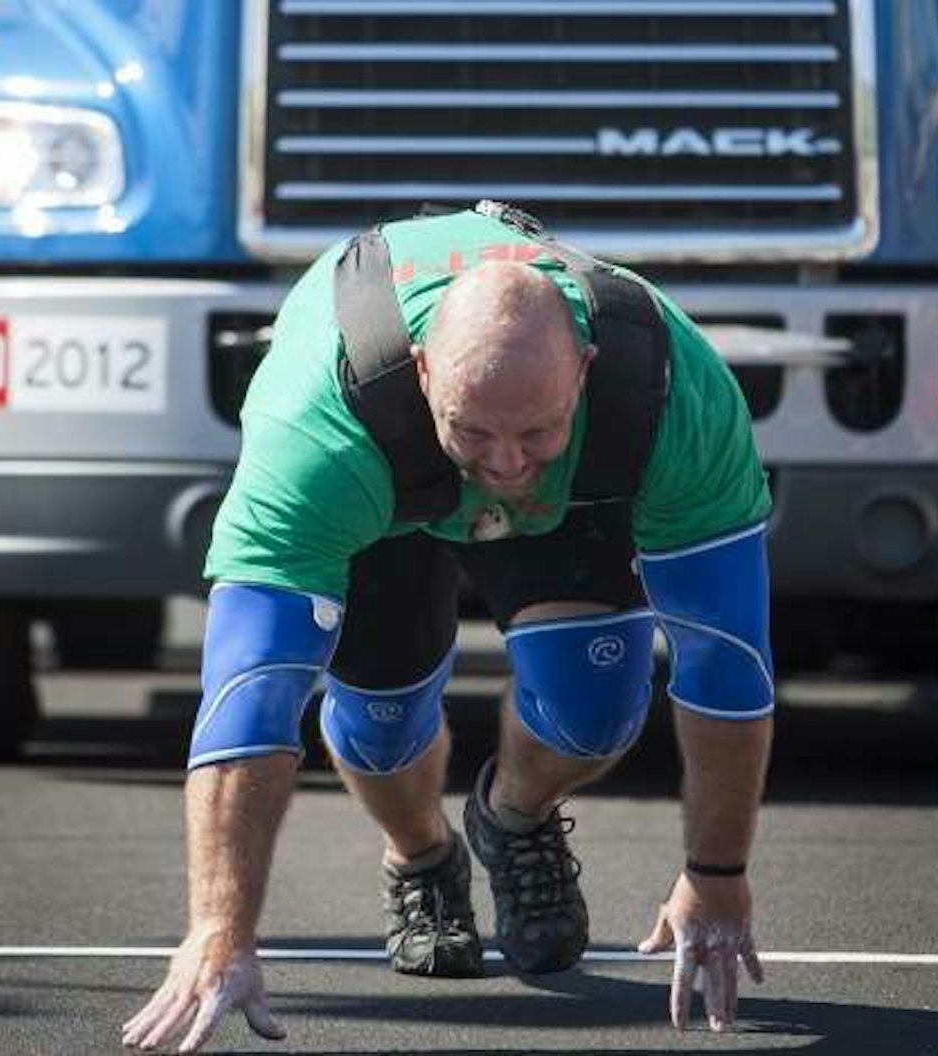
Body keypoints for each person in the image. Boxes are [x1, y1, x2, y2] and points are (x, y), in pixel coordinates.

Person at [122, 201, 774, 1053]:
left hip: (572, 486)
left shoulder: (671, 392)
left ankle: (514, 817)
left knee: (598, 709)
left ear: (583, 369)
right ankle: (421, 854)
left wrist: (717, 876)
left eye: (535, 428)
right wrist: (219, 930)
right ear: (426, 370)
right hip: (388, 477)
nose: (505, 463)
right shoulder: (317, 429)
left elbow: (728, 658)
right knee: (382, 725)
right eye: (476, 428)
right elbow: (249, 692)